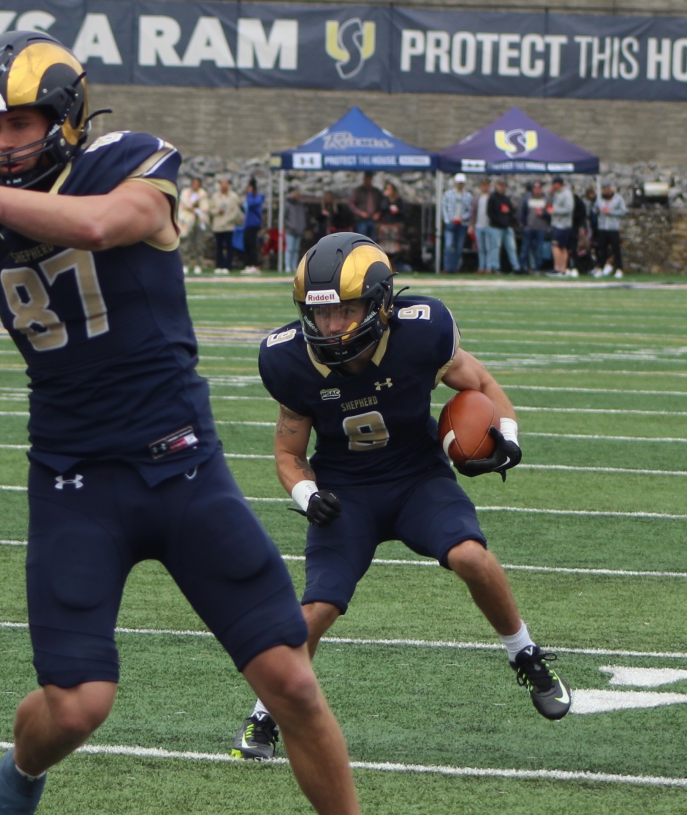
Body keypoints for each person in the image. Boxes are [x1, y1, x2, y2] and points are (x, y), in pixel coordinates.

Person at [0, 31, 453, 815]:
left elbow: (104, 225)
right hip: (75, 481)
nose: (7, 141)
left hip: (183, 469)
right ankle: (16, 784)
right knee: (79, 704)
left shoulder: (123, 163)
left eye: (22, 122)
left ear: (64, 115)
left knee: (289, 677)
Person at [228, 232, 571, 760]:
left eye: (345, 311)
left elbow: (483, 387)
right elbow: (289, 455)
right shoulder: (288, 361)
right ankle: (263, 713)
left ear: (381, 304)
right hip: (346, 491)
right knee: (317, 608)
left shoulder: (421, 332)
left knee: (471, 557)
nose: (331, 326)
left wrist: (508, 438)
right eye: (320, 314)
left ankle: (525, 655)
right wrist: (306, 494)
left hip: (417, 478)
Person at [593, 183, 627, 277]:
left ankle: (619, 268)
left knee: (616, 249)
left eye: (607, 189)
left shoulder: (618, 199)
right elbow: (594, 208)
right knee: (602, 249)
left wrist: (611, 212)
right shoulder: (599, 199)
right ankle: (600, 267)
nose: (606, 191)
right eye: (604, 189)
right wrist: (597, 211)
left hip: (613, 228)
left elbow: (623, 211)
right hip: (602, 227)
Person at [485, 180, 519, 273]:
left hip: (506, 227)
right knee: (495, 248)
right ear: (496, 186)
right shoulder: (492, 198)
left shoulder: (506, 198)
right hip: (496, 227)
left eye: (503, 186)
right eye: (500, 186)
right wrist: (499, 221)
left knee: (511, 247)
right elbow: (490, 213)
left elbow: (512, 212)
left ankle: (516, 267)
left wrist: (509, 212)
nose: (501, 187)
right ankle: (495, 267)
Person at [208, 177, 241, 273]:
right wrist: (217, 211)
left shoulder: (233, 197)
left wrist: (227, 220)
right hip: (218, 226)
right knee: (219, 246)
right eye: (222, 184)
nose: (224, 186)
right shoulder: (215, 197)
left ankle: (228, 265)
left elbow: (235, 212)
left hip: (228, 226)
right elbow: (211, 209)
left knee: (229, 246)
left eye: (226, 184)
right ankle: (219, 265)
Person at [442, 174, 473, 274]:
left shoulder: (468, 196)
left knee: (459, 247)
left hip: (462, 224)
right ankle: (447, 267)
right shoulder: (448, 194)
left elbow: (470, 210)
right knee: (448, 246)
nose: (460, 185)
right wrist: (448, 220)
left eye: (461, 183)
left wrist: (462, 218)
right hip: (451, 222)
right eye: (458, 183)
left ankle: (455, 268)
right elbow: (444, 208)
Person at [236, 177, 265, 273]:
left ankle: (254, 264)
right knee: (246, 243)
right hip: (248, 224)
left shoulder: (258, 198)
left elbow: (250, 203)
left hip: (254, 224)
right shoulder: (252, 198)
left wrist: (249, 193)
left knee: (251, 244)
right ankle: (248, 264)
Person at [178, 175, 206, 274]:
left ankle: (198, 264)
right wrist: (193, 206)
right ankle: (185, 264)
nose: (195, 185)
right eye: (194, 183)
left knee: (198, 244)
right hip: (186, 221)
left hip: (198, 221)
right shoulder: (186, 193)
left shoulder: (202, 194)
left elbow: (205, 207)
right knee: (186, 244)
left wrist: (196, 208)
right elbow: (186, 204)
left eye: (197, 183)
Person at [548, 178, 576, 277]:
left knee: (558, 246)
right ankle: (560, 269)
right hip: (556, 223)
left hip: (563, 225)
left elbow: (569, 209)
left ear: (558, 184)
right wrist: (550, 194)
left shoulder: (567, 194)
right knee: (559, 246)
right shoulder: (556, 193)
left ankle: (560, 269)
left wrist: (556, 211)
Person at [522, 181, 551, 272]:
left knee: (539, 249)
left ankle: (537, 267)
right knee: (525, 248)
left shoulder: (546, 199)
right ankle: (522, 267)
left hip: (541, 228)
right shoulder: (528, 198)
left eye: (539, 188)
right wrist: (524, 224)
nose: (537, 190)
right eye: (535, 188)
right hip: (529, 227)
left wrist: (543, 214)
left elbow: (550, 213)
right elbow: (523, 212)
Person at [349, 170, 383, 240]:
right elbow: (351, 204)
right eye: (366, 179)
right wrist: (360, 213)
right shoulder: (358, 191)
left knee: (373, 239)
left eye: (369, 179)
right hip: (361, 220)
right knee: (362, 239)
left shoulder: (376, 191)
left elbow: (382, 204)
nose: (368, 180)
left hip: (373, 219)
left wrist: (378, 214)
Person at [471, 178, 493, 274]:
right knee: (480, 248)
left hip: (488, 225)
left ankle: (488, 267)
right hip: (479, 225)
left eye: (486, 185)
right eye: (483, 185)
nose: (485, 187)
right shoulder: (477, 198)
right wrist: (472, 225)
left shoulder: (491, 197)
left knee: (489, 248)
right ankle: (481, 266)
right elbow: (473, 212)